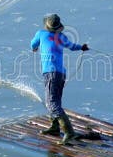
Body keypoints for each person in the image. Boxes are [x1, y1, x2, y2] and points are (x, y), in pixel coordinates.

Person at [30, 14, 89, 144]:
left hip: (50, 73)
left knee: (51, 104)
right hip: (61, 74)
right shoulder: (61, 37)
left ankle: (69, 133)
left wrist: (34, 48)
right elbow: (72, 46)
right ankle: (55, 127)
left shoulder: (41, 34)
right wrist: (82, 47)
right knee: (55, 100)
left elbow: (32, 44)